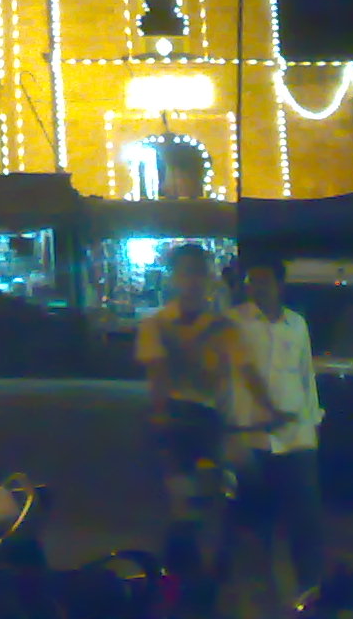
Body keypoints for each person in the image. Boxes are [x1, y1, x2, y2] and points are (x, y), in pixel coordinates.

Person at [136, 243, 270, 590]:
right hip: (179, 421)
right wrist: (160, 416)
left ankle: (212, 573)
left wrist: (269, 408)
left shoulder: (223, 327)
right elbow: (158, 378)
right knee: (183, 506)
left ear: (209, 279)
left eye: (198, 272)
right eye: (186, 272)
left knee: (241, 488)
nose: (192, 281)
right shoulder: (157, 325)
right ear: (174, 279)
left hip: (211, 419)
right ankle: (178, 582)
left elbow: (247, 371)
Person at [227, 255, 326, 598]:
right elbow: (233, 376)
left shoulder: (296, 324)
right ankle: (258, 592)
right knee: (255, 522)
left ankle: (310, 589)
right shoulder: (235, 323)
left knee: (306, 519)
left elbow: (305, 373)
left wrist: (313, 420)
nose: (256, 287)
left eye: (264, 280)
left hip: (296, 436)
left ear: (280, 284)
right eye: (251, 280)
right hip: (253, 436)